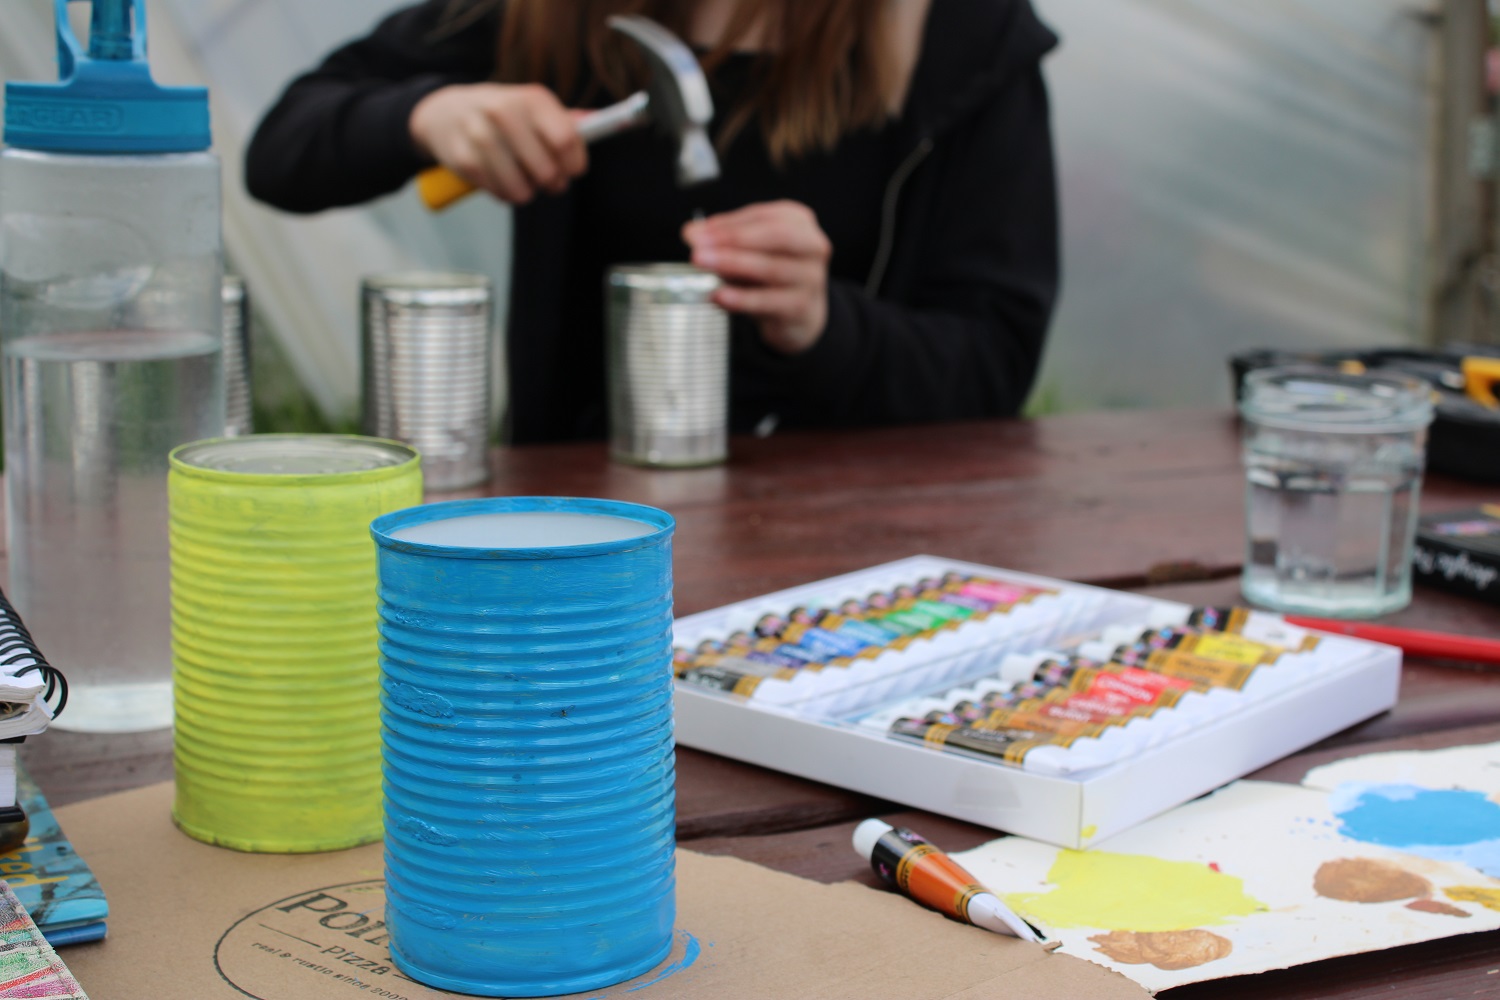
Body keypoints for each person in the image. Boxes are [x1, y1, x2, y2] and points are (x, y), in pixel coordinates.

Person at [246, 0, 1059, 444]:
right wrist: (428, 116)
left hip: (867, 554)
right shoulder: (540, 18)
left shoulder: (963, 39)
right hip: (585, 538)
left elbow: (993, 366)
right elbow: (281, 153)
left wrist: (825, 326)